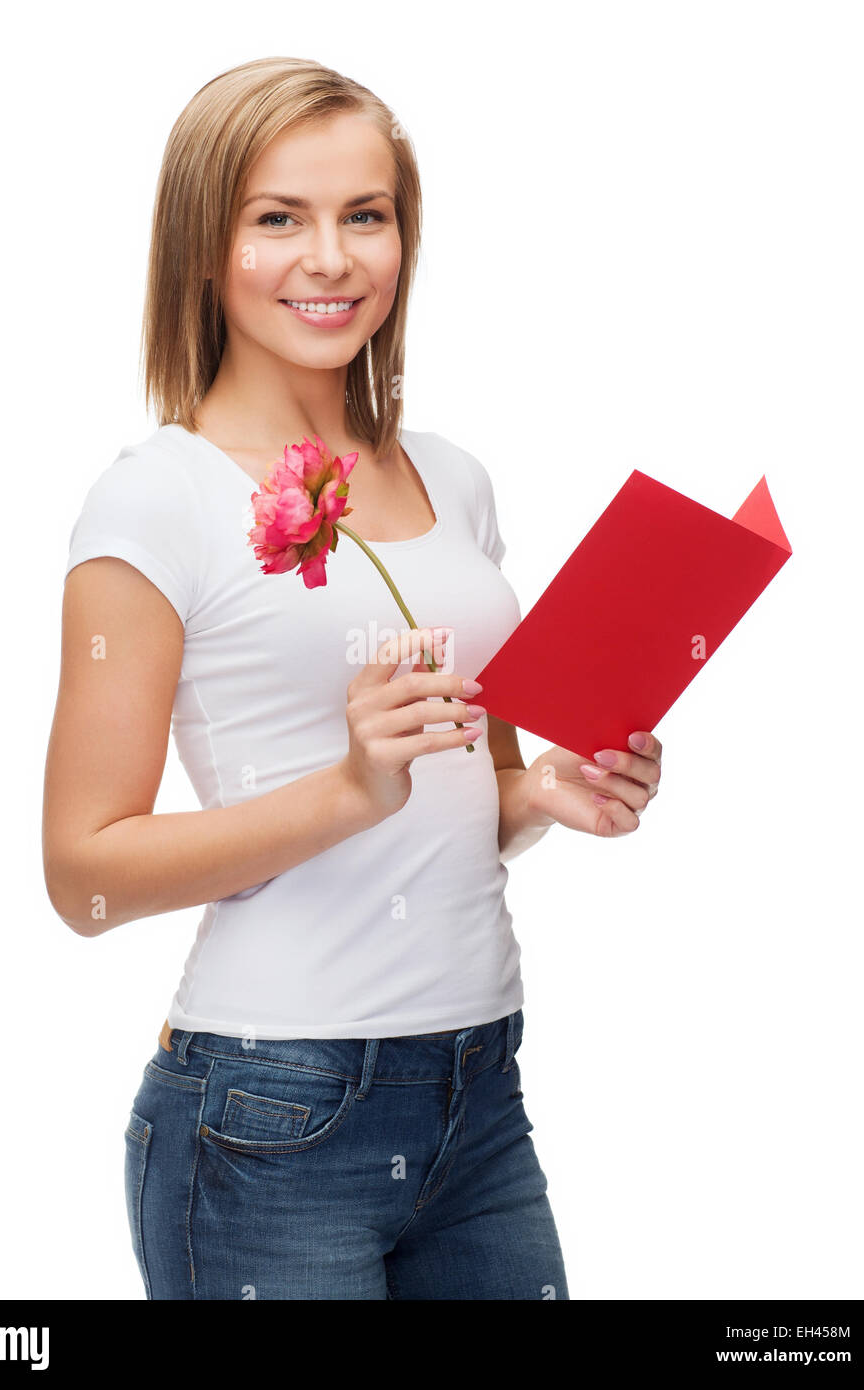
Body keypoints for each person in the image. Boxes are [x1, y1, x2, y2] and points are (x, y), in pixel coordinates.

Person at [42, 57, 663, 1301]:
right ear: (204, 249)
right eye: (278, 218)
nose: (329, 258)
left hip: (477, 1090)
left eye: (364, 215)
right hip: (272, 1111)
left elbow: (460, 808)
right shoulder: (155, 496)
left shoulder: (454, 478)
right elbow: (82, 877)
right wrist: (344, 788)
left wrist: (538, 795)